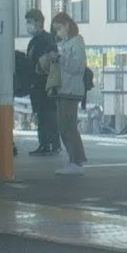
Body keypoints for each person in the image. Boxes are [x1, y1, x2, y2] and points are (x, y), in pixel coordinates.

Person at [44, 11, 88, 175]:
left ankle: (76, 161)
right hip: (64, 90)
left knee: (67, 126)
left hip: (71, 90)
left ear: (67, 25)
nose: (57, 32)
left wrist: (59, 59)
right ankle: (75, 159)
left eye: (59, 28)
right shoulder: (68, 42)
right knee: (65, 126)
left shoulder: (76, 42)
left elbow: (77, 67)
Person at [24, 8, 59, 156]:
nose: (28, 25)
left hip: (46, 85)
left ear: (39, 23)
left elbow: (50, 63)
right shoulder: (34, 41)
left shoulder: (47, 40)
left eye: (30, 22)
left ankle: (50, 143)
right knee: (42, 114)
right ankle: (46, 143)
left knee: (48, 114)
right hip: (37, 85)